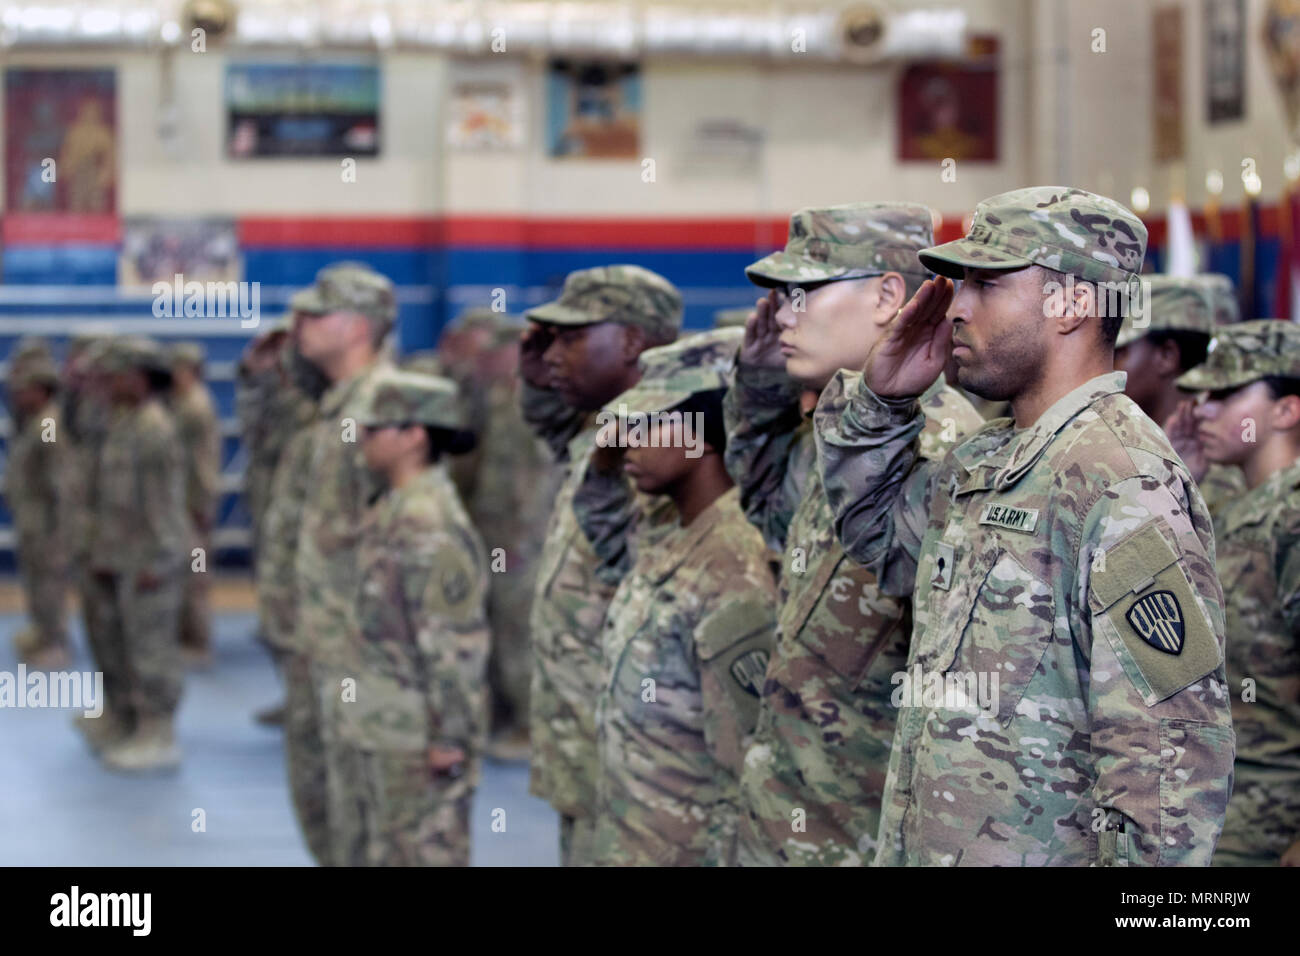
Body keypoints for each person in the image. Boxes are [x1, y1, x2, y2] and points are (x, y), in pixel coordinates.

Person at [815, 186, 1234, 865]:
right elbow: (880, 542)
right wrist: (881, 405)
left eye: (986, 283)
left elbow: (1168, 764)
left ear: (1071, 302)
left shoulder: (1122, 481)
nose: (955, 306)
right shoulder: (988, 457)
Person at [723, 202, 983, 865]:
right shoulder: (838, 433)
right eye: (780, 299)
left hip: (862, 833)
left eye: (803, 293)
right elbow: (770, 511)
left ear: (888, 296)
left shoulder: (941, 446)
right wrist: (756, 393)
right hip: (787, 817)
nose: (783, 315)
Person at [583, 330, 777, 865]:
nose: (627, 439)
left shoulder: (735, 567)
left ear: (705, 434)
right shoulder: (668, 527)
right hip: (636, 836)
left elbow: (745, 760)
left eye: (648, 422)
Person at [523, 265, 682, 865]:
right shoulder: (604, 424)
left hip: (634, 744)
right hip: (582, 731)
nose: (556, 353)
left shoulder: (670, 441)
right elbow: (549, 423)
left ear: (635, 341)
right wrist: (539, 379)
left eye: (573, 337)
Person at [342, 369, 490, 865]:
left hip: (418, 734)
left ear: (415, 435)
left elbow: (452, 641)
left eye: (376, 427)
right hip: (389, 725)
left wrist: (449, 736)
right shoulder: (396, 506)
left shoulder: (428, 522)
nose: (361, 437)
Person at [1166, 320, 1300, 866]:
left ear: (1287, 411)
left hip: (1272, 825)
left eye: (1224, 394)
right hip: (1218, 813)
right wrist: (1177, 485)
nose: (1202, 409)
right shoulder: (1233, 507)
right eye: (1199, 394)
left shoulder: (1290, 517)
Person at [291, 262, 397, 865]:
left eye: (318, 312)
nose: (301, 324)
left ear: (358, 326)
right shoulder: (340, 405)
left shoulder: (383, 405)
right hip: (326, 639)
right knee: (326, 803)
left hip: (363, 648)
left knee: (361, 815)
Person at [85, 338, 189, 772]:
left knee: (151, 649)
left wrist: (160, 562)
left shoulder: (154, 429)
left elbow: (166, 504)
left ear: (138, 377)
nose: (108, 384)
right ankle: (132, 722)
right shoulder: (126, 423)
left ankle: (159, 735)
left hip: (151, 559)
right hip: (125, 555)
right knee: (126, 644)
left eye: (116, 376)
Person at [4, 352, 70, 669]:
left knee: (49, 582)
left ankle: (55, 640)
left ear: (42, 389)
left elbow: (57, 473)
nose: (17, 395)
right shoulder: (32, 420)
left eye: (24, 389)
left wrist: (59, 524)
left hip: (48, 521)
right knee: (34, 579)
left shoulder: (47, 423)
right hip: (31, 516)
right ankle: (41, 631)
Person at [169, 342, 221, 667]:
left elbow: (202, 463)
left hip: (193, 507)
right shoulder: (184, 403)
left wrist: (202, 506)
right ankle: (187, 636)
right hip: (185, 504)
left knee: (196, 574)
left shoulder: (195, 407)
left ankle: (199, 641)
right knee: (187, 574)